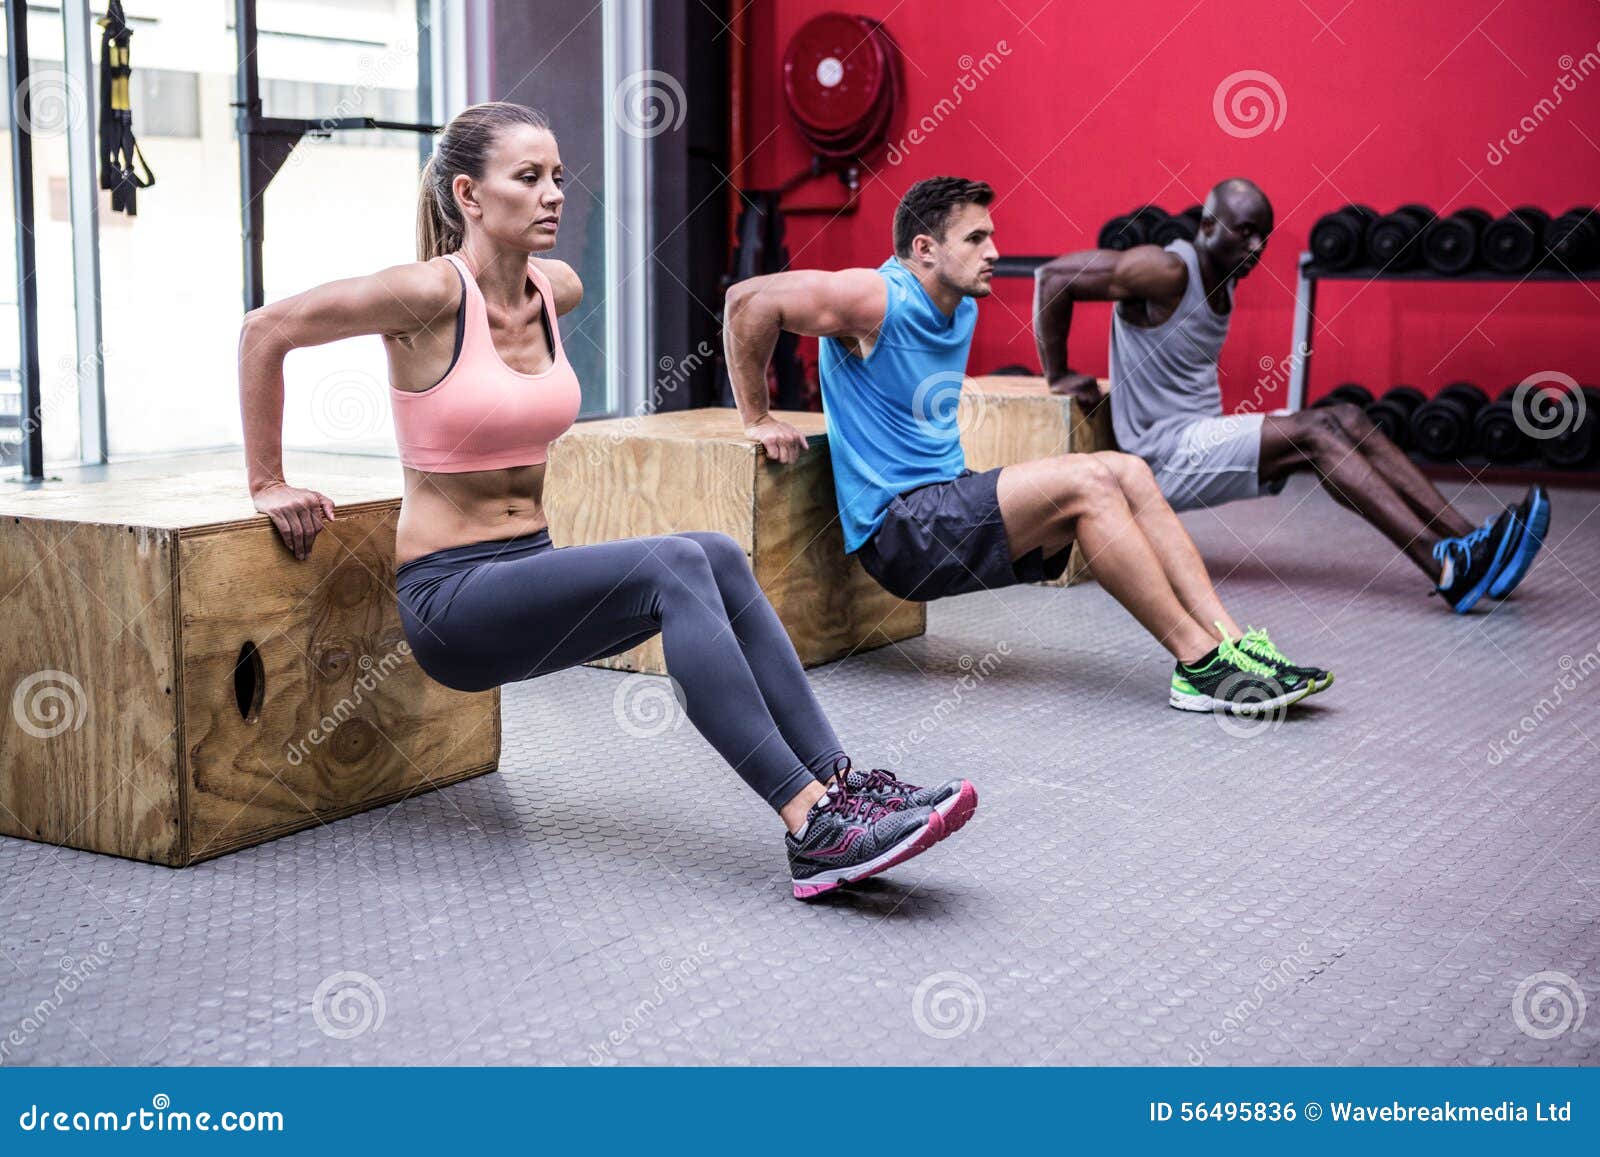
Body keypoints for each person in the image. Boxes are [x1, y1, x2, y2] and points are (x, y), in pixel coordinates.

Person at [236, 102, 975, 900]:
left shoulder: (557, 288)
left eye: (557, 176)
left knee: (717, 555)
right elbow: (265, 331)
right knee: (674, 567)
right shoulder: (423, 296)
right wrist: (267, 480)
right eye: (529, 177)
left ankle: (840, 786)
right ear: (470, 196)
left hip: (529, 572)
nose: (555, 193)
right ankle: (809, 825)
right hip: (451, 600)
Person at [723, 176, 1332, 716]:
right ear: (924, 250)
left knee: (1126, 470)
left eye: (992, 236)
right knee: (1089, 485)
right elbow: (748, 300)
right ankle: (1199, 666)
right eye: (975, 239)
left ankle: (1229, 644)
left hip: (942, 504)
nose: (994, 252)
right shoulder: (877, 297)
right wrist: (757, 416)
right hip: (900, 530)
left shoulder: (957, 302)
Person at [1034, 177, 1549, 614]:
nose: (1255, 247)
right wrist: (1057, 373)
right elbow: (1054, 276)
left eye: (1263, 236)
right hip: (1163, 458)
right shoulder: (1167, 270)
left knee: (1345, 415)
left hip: (1200, 444)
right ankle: (1445, 564)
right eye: (1243, 232)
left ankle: (1473, 541)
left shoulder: (1225, 275)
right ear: (1208, 225)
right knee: (1316, 432)